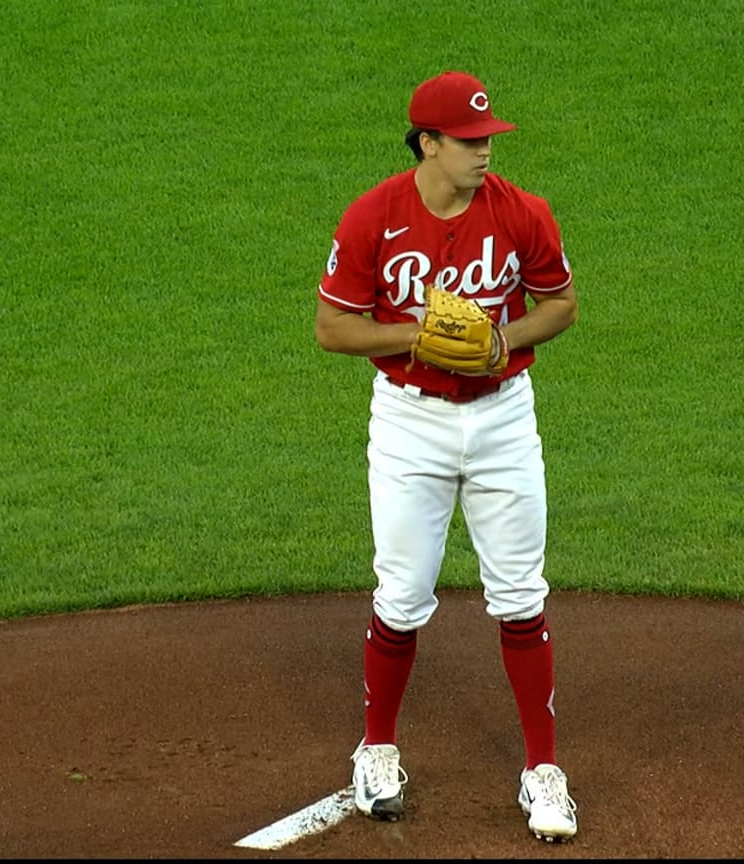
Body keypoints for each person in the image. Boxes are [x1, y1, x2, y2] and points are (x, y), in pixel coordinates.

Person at [313, 70, 580, 843]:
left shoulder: (523, 213)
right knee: (401, 593)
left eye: (488, 138)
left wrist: (502, 340)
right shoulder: (374, 217)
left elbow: (560, 304)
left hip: (502, 419)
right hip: (408, 422)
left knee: (521, 593)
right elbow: (332, 329)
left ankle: (543, 771)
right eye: (468, 142)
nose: (484, 152)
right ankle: (377, 751)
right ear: (427, 144)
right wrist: (417, 335)